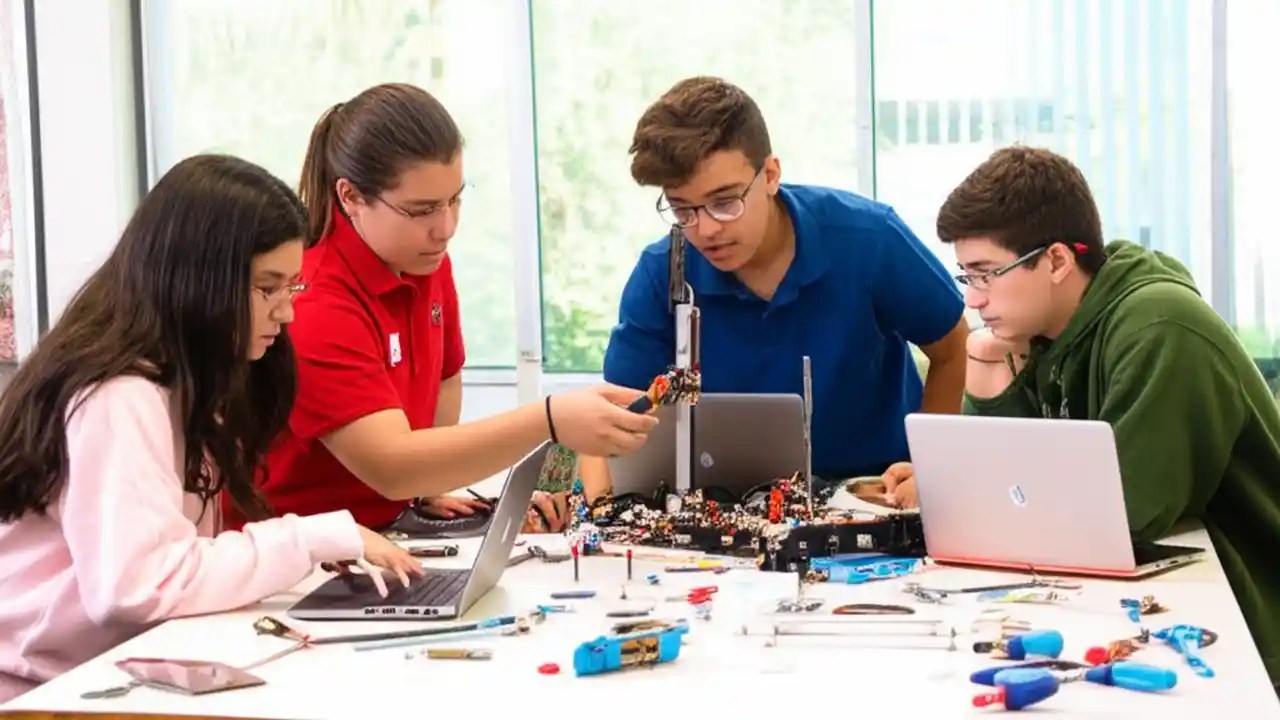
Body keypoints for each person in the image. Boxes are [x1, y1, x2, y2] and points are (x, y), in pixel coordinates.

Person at [0, 155, 424, 702]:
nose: (286, 313)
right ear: (196, 281)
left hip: (99, 673)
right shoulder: (120, 395)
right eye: (267, 288)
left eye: (291, 288)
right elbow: (137, 587)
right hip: (38, 694)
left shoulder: (191, 379)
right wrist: (308, 539)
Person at [882, 145, 1280, 688]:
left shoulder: (1160, 328)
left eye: (986, 274)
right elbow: (1016, 491)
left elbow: (1121, 515)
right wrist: (988, 377)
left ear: (1057, 262)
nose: (973, 301)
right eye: (966, 277)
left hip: (1253, 625)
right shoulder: (1046, 331)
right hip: (1182, 596)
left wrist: (966, 493)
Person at [230, 83, 657, 536]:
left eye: (455, 199)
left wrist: (427, 486)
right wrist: (548, 419)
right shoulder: (315, 301)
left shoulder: (424, 262)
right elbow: (391, 466)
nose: (446, 228)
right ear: (351, 197)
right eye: (422, 210)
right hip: (297, 549)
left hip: (390, 528)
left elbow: (444, 380)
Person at [581, 76, 969, 496]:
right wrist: (603, 516)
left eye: (725, 201)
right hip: (727, 504)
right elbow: (612, 415)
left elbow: (952, 347)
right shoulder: (662, 273)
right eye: (682, 209)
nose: (707, 229)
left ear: (770, 174)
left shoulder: (870, 238)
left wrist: (928, 468)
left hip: (873, 495)